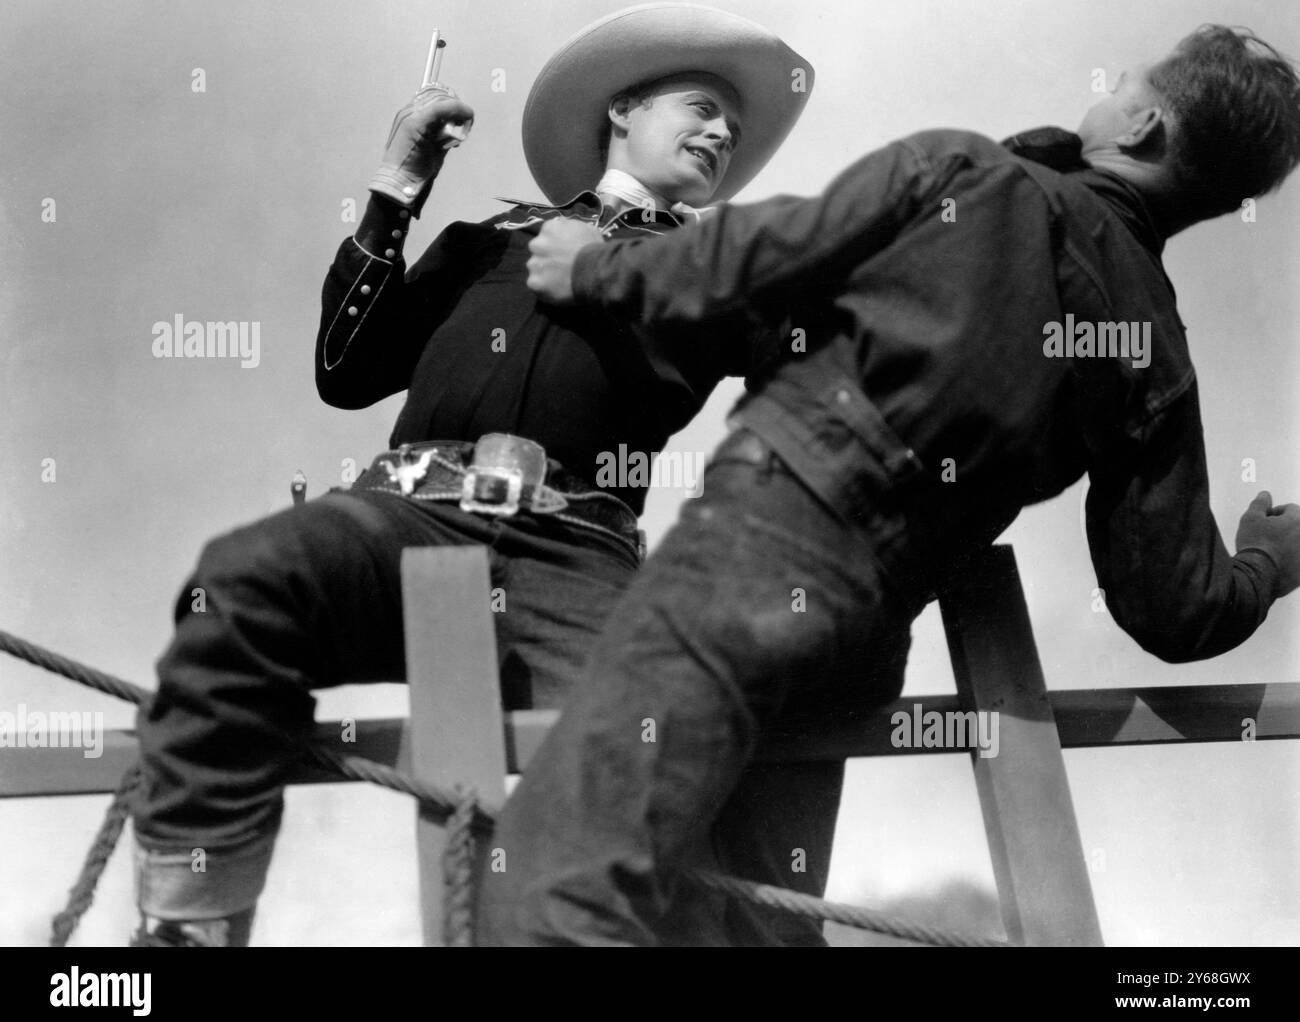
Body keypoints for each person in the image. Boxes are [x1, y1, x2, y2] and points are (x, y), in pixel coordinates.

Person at [479, 24, 1300, 945]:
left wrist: (594, 267)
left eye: (1127, 86)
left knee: (555, 890)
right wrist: (1269, 561)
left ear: (1144, 122)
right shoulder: (1155, 352)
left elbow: (755, 256)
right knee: (762, 922)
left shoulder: (966, 174)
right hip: (868, 634)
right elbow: (1174, 606)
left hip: (763, 543)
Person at [129, 4, 816, 946]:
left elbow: (716, 382)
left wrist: (604, 278)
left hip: (581, 557)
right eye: (701, 107)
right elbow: (345, 372)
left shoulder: (716, 271)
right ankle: (187, 929)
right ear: (621, 110)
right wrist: (394, 192)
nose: (723, 133)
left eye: (732, 128)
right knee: (240, 584)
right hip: (407, 513)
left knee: (679, 759)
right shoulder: (485, 242)